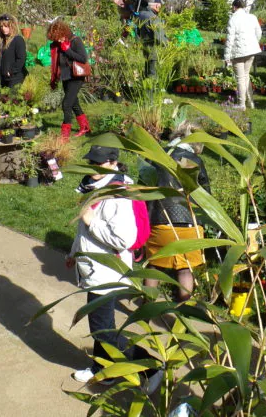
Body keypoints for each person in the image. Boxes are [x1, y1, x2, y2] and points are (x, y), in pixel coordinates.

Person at [68, 145, 164, 392]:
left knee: (103, 331)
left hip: (107, 272)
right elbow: (82, 231)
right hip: (94, 267)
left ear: (112, 162)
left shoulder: (118, 195)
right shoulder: (96, 187)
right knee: (102, 325)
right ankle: (105, 370)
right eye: (91, 161)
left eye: (98, 162)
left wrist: (91, 223)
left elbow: (123, 239)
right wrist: (73, 253)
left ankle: (151, 367)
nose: (93, 166)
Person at [142, 121, 210, 301]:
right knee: (185, 270)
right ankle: (183, 313)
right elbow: (206, 196)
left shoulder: (156, 156)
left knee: (154, 267)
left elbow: (144, 186)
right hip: (190, 225)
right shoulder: (195, 161)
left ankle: (147, 310)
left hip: (160, 221)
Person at [48, 20, 90, 140]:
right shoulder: (58, 43)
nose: (58, 40)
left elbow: (83, 58)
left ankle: (64, 135)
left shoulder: (75, 41)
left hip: (76, 77)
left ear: (64, 32)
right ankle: (85, 127)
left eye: (59, 37)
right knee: (73, 102)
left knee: (66, 104)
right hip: (65, 76)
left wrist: (68, 50)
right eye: (55, 39)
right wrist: (54, 78)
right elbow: (56, 62)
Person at [223, 0, 262, 110]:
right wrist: (254, 43)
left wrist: (226, 56)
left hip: (238, 53)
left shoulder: (233, 19)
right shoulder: (252, 17)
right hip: (251, 51)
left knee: (240, 78)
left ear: (234, 7)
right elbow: (259, 33)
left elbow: (229, 39)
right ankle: (251, 102)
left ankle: (241, 104)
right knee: (246, 76)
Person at [135, 0, 166, 79]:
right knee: (153, 74)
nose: (160, 7)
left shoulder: (141, 14)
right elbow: (159, 37)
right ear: (156, 5)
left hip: (145, 47)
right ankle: (151, 91)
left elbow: (136, 31)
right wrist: (168, 45)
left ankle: (146, 88)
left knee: (147, 70)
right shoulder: (153, 18)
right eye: (160, 5)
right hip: (153, 49)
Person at [0, 13, 27, 88]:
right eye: (1, 26)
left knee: (11, 98)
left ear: (12, 26)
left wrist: (11, 71)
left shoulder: (18, 40)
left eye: (6, 26)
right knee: (1, 98)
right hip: (1, 77)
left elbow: (21, 58)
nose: (3, 28)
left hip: (14, 78)